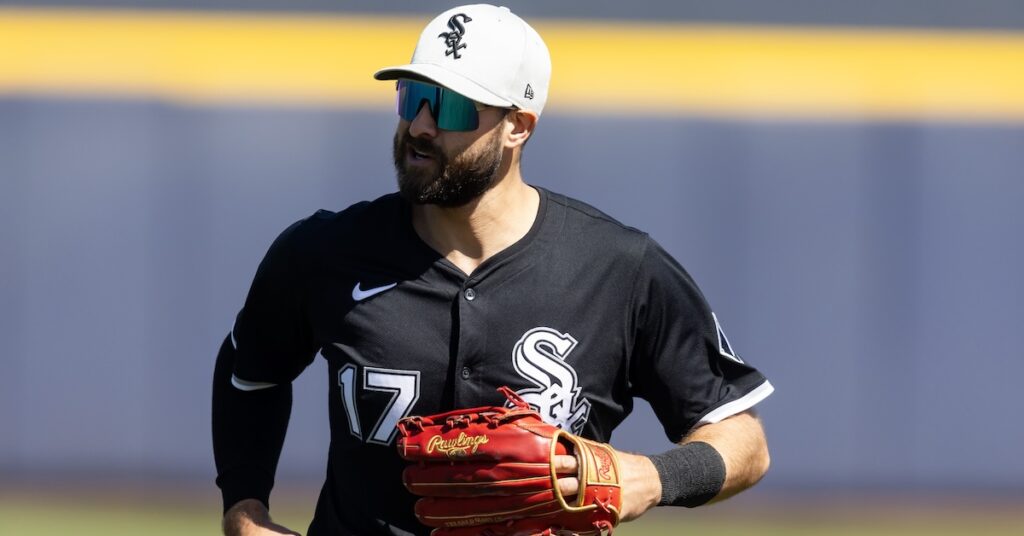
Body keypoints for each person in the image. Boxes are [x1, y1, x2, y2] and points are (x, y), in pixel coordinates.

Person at [212, 4, 774, 535]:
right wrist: (245, 507)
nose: (422, 126)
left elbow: (743, 439)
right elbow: (250, 372)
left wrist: (653, 478)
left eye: (453, 107)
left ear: (518, 126)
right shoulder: (323, 252)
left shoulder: (619, 269)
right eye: (413, 97)